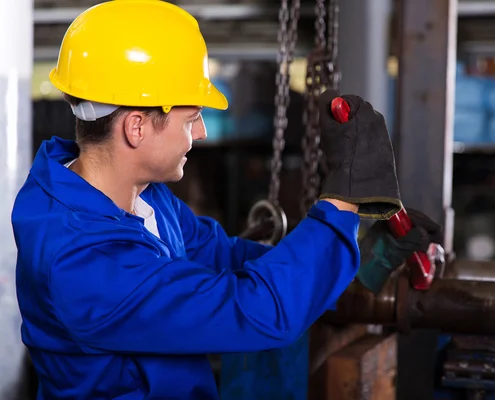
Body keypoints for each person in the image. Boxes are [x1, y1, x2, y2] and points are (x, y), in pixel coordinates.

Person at [11, 1, 441, 399]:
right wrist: (341, 204)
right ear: (136, 127)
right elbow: (255, 308)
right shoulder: (83, 263)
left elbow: (231, 260)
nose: (200, 134)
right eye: (192, 118)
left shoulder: (139, 198)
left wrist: (352, 261)